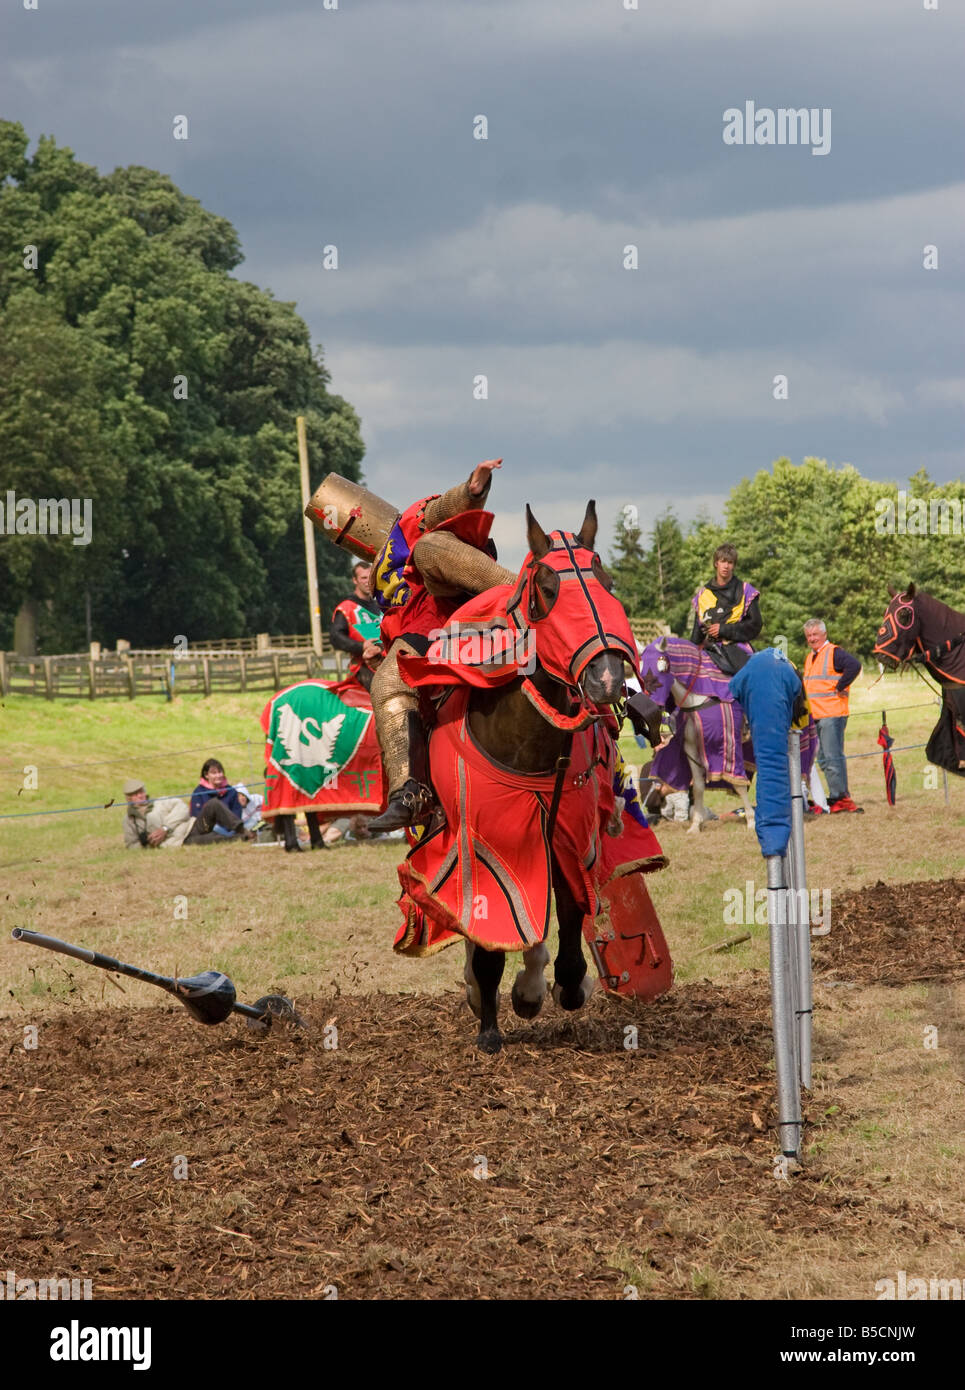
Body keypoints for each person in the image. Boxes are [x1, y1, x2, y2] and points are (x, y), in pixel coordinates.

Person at [366, 459, 517, 831]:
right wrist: (377, 648)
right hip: (424, 633)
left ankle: (526, 596)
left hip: (463, 602)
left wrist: (472, 490)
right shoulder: (377, 576)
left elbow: (440, 510)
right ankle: (410, 793)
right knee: (387, 683)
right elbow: (396, 620)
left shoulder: (407, 525)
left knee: (429, 547)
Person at [802, 619, 863, 814]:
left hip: (832, 713)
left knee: (832, 756)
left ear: (824, 635)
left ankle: (841, 798)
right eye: (809, 635)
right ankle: (835, 795)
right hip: (816, 715)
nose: (812, 638)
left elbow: (855, 665)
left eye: (815, 635)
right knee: (822, 758)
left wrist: (840, 686)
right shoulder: (810, 657)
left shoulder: (834, 652)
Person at [690, 544, 762, 675]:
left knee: (749, 677)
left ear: (734, 565)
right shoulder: (703, 595)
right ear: (716, 563)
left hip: (737, 648)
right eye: (723, 561)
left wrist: (724, 629)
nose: (726, 566)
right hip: (709, 649)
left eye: (730, 562)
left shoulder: (746, 591)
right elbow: (697, 634)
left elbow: (755, 625)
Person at [122, 778, 252, 847]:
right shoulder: (130, 820)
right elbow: (132, 844)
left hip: (193, 825)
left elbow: (183, 809)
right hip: (181, 842)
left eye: (142, 791)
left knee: (214, 804)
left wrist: (165, 828)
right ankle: (246, 839)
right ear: (129, 798)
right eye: (136, 794)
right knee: (214, 840)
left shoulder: (160, 802)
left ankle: (243, 830)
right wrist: (150, 845)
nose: (140, 796)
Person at [330, 561, 384, 691]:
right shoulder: (346, 608)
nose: (367, 581)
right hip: (363, 667)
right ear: (355, 580)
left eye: (370, 577)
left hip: (386, 663)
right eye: (363, 578)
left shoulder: (381, 606)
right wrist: (362, 646)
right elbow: (336, 637)